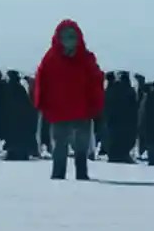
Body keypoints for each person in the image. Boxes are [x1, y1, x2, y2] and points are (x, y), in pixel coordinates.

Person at [33, 19, 104, 180]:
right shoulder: (50, 59)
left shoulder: (86, 58)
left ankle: (81, 173)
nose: (69, 41)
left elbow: (96, 82)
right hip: (59, 111)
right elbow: (41, 80)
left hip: (82, 111)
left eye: (72, 37)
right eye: (65, 37)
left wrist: (96, 105)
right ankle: (58, 175)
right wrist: (42, 103)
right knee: (59, 147)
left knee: (81, 146)